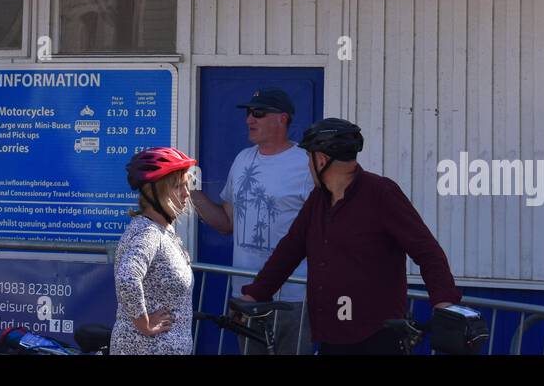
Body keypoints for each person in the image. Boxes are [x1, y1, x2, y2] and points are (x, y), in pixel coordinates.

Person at [240, 118, 462, 355]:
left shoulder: (381, 194)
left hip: (376, 338)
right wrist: (255, 293)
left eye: (309, 158)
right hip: (331, 336)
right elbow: (290, 249)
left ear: (322, 160)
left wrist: (443, 302)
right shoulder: (318, 200)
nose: (308, 166)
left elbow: (426, 250)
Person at [190, 86, 313, 354]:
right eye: (248, 113)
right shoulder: (243, 159)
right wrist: (189, 191)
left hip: (292, 299)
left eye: (258, 113)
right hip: (245, 296)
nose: (249, 119)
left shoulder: (306, 163)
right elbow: (227, 224)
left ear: (282, 118)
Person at [111, 147, 197, 355]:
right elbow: (127, 277)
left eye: (187, 185)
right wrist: (144, 323)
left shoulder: (162, 231)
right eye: (178, 186)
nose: (186, 193)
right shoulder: (148, 233)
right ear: (153, 192)